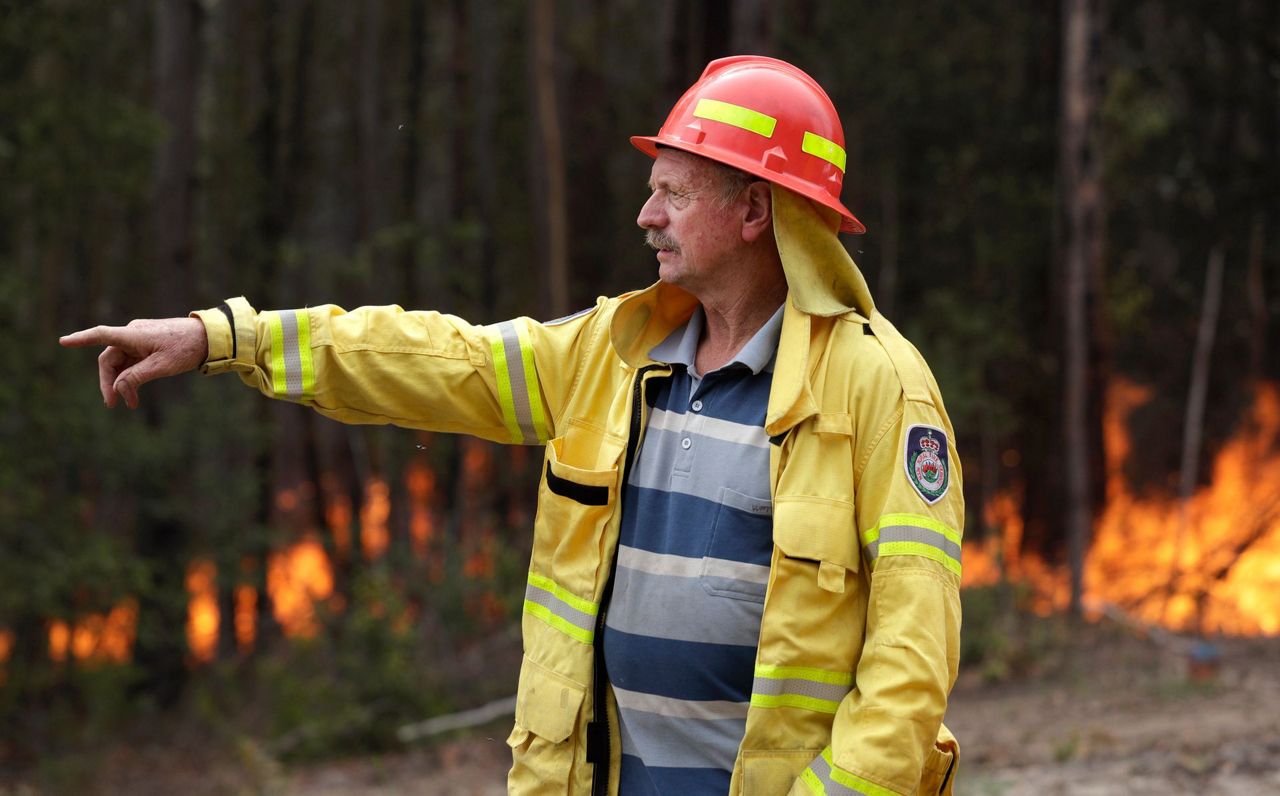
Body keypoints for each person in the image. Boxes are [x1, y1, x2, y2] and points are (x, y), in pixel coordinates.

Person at [62, 56, 962, 796]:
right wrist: (225, 337)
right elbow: (430, 358)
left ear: (755, 210)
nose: (646, 216)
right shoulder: (610, 355)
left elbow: (911, 656)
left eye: (673, 192)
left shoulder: (877, 387)